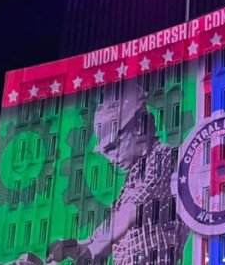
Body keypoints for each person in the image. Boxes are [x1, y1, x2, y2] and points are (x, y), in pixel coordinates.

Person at [47, 80, 186, 265]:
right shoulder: (133, 178)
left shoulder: (163, 155)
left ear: (137, 128)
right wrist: (76, 246)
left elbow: (132, 211)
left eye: (113, 147)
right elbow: (113, 224)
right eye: (105, 152)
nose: (110, 158)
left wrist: (91, 251)